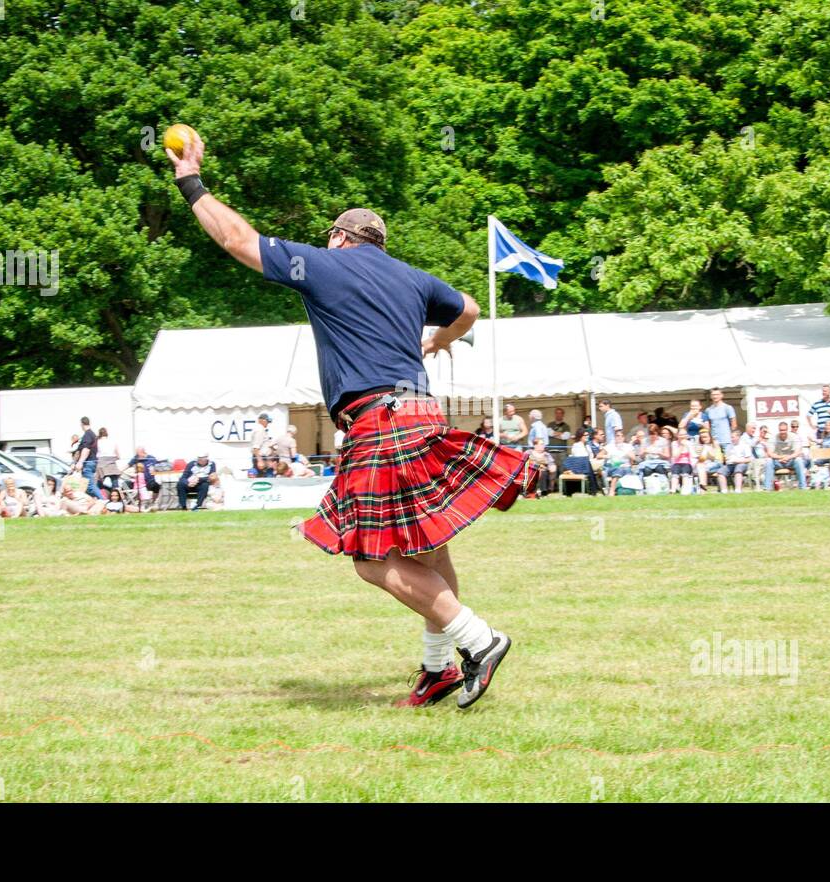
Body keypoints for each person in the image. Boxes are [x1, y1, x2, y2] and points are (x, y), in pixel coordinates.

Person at [169, 131, 532, 707]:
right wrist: (436, 343)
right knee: (428, 547)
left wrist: (191, 180)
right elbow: (469, 307)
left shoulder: (324, 265)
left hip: (379, 420)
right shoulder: (411, 277)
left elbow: (237, 238)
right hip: (421, 413)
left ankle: (480, 640)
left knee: (368, 558)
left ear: (340, 237)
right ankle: (437, 669)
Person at [764, 422, 807, 490]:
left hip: (790, 461)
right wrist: (781, 457)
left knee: (799, 460)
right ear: (778, 430)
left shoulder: (794, 437)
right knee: (769, 461)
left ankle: (803, 487)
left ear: (787, 430)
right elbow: (770, 453)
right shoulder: (773, 438)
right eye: (781, 430)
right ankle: (767, 488)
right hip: (778, 461)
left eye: (784, 430)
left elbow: (797, 452)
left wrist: (787, 457)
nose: (782, 432)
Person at [71, 417, 103, 498]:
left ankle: (103, 501)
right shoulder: (92, 434)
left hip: (88, 463)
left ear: (82, 424)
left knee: (89, 486)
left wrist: (80, 462)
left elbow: (86, 449)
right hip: (91, 462)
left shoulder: (88, 434)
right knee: (87, 487)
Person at [95, 427, 122, 492]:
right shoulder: (113, 441)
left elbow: (95, 453)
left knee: (99, 482)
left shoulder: (97, 442)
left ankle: (100, 496)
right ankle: (117, 496)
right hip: (111, 463)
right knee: (115, 482)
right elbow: (118, 456)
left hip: (101, 463)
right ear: (107, 433)